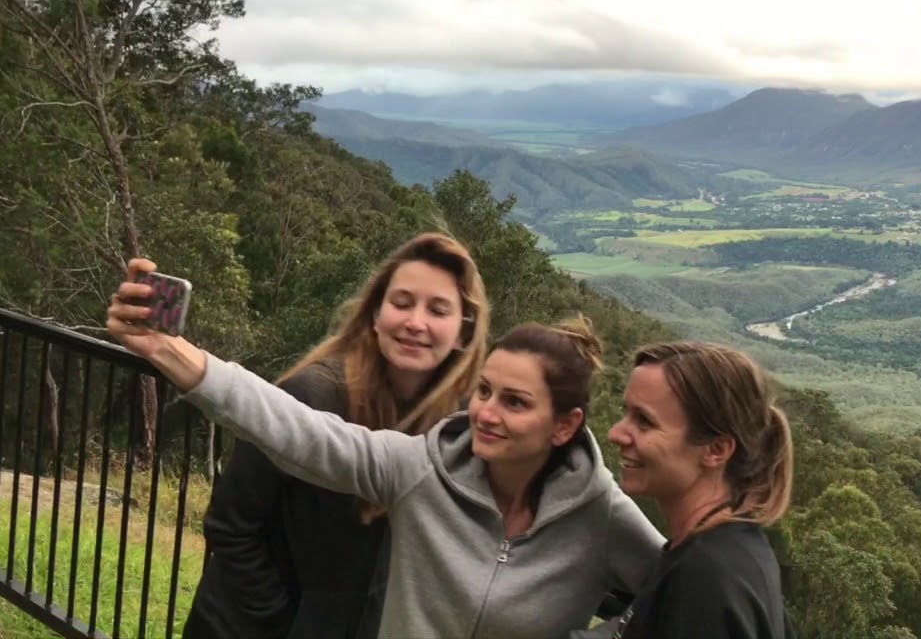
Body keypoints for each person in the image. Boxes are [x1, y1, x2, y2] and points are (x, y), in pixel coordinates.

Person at [107, 274, 664, 639]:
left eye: (515, 402)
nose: (487, 413)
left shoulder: (600, 514)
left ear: (565, 426)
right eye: (485, 391)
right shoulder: (422, 469)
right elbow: (301, 433)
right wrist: (171, 352)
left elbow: (678, 588)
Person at [180, 232, 491, 639]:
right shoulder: (312, 396)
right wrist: (283, 622)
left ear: (464, 332)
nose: (416, 322)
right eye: (401, 303)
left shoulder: (461, 429)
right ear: (376, 314)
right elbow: (231, 524)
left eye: (437, 310)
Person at [601, 341, 795, 639]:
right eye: (626, 413)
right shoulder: (731, 550)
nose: (615, 433)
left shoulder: (706, 579)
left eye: (644, 422)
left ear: (716, 450)